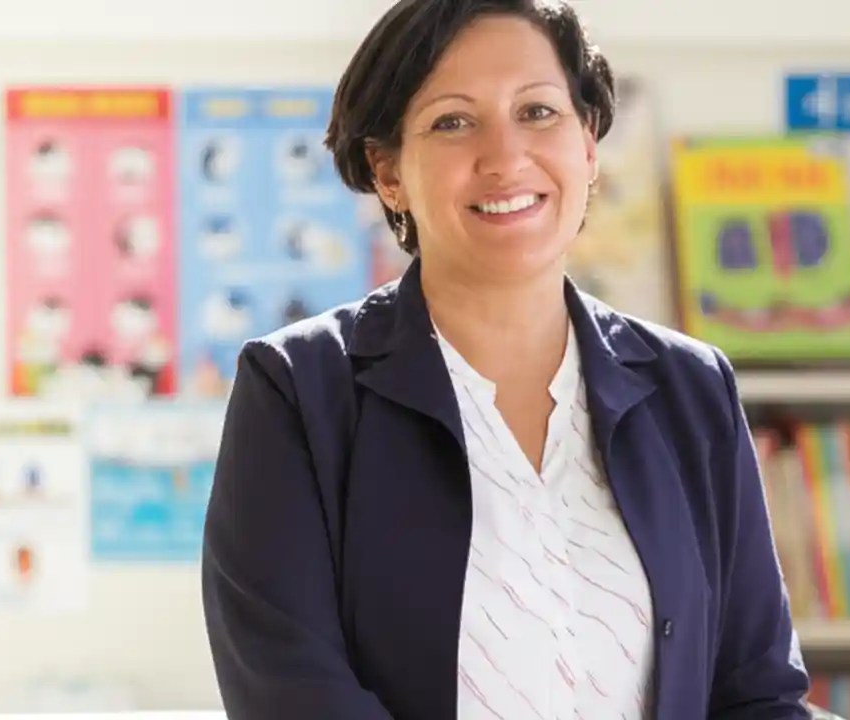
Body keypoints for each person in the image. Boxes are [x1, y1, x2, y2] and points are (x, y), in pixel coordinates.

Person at [200, 1, 812, 718]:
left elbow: (758, 688)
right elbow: (293, 691)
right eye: (453, 122)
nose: (505, 157)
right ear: (388, 171)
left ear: (588, 143)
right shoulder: (299, 391)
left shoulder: (691, 388)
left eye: (539, 112)